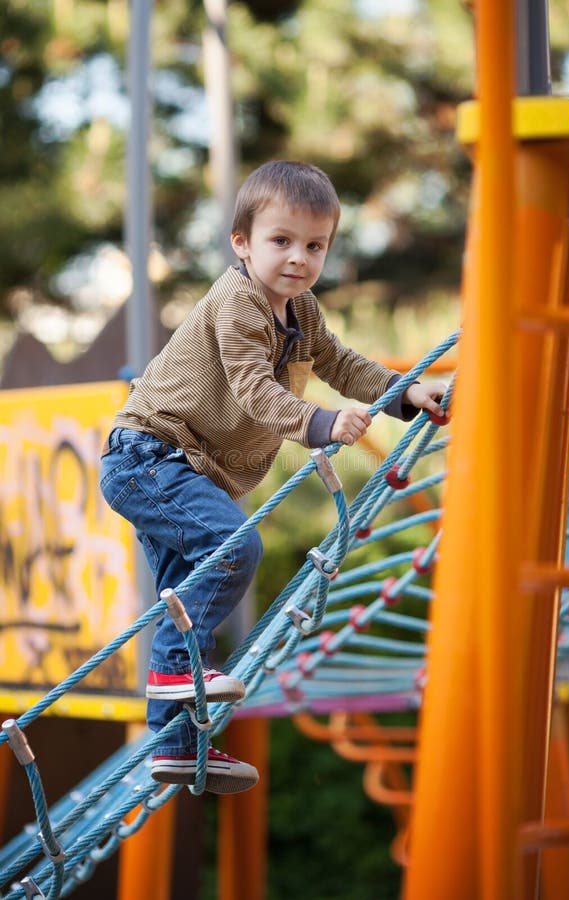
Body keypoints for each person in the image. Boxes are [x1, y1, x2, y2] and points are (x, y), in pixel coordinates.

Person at [100, 160, 446, 793]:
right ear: (242, 242)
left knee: (182, 597)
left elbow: (340, 363)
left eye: (315, 246)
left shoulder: (303, 310)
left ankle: (171, 745)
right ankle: (181, 679)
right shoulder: (236, 302)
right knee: (233, 549)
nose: (298, 258)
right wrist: (318, 422)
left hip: (188, 471)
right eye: (281, 241)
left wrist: (406, 395)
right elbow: (252, 387)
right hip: (149, 456)